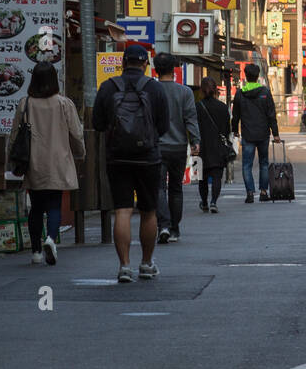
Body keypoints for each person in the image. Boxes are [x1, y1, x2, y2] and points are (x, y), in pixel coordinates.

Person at [92, 43, 169, 282]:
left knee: (122, 210)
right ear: (146, 64)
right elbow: (163, 127)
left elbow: (97, 123)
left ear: (123, 63)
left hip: (117, 157)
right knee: (148, 211)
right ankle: (146, 264)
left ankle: (124, 266)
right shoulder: (155, 89)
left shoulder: (108, 87)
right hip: (148, 157)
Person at [7, 62, 86, 266]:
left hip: (33, 162)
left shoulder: (25, 103)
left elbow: (15, 135)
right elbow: (76, 134)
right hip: (58, 161)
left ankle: (35, 252)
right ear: (54, 80)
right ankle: (51, 239)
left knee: (35, 207)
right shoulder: (64, 103)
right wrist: (80, 154)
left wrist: (11, 161)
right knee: (54, 204)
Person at [153, 53, 200, 244]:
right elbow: (190, 118)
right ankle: (174, 228)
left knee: (158, 188)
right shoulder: (185, 92)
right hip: (179, 146)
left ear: (156, 69)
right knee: (175, 188)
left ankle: (163, 225)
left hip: (156, 147)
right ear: (174, 69)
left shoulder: (151, 90)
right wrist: (195, 140)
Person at [231, 62, 280, 203]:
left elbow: (236, 116)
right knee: (264, 163)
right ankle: (264, 192)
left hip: (247, 134)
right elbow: (271, 114)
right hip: (263, 134)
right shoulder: (265, 92)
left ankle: (250, 193)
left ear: (246, 76)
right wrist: (275, 133)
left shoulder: (240, 93)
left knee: (247, 165)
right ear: (258, 76)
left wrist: (235, 131)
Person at [195, 76, 232, 213]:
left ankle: (204, 202)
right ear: (216, 90)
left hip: (199, 148)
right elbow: (227, 130)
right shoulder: (223, 107)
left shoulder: (197, 107)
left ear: (202, 91)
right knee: (217, 176)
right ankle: (213, 202)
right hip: (218, 148)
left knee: (201, 178)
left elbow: (193, 127)